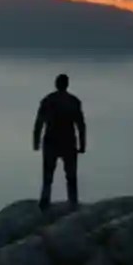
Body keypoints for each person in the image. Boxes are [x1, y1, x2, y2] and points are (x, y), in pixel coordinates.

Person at [33, 73, 86, 210]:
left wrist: (36, 141)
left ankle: (45, 201)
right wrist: (82, 144)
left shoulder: (48, 100)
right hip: (68, 141)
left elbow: (39, 123)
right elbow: (80, 125)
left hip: (52, 140)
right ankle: (72, 201)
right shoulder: (73, 101)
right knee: (71, 175)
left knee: (48, 175)